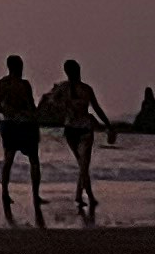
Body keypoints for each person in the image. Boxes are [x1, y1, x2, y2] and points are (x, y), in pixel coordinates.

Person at [44, 59, 116, 223]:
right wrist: (63, 105)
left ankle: (84, 195)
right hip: (70, 129)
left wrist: (108, 125)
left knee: (84, 163)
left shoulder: (86, 89)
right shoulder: (63, 88)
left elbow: (96, 107)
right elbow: (50, 102)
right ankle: (84, 195)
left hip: (85, 128)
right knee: (82, 163)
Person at [0, 53, 45, 227]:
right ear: (19, 67)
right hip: (24, 124)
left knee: (8, 158)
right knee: (34, 160)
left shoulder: (0, 84)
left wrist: (9, 110)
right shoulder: (24, 85)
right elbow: (31, 106)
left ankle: (5, 191)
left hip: (8, 123)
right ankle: (35, 194)